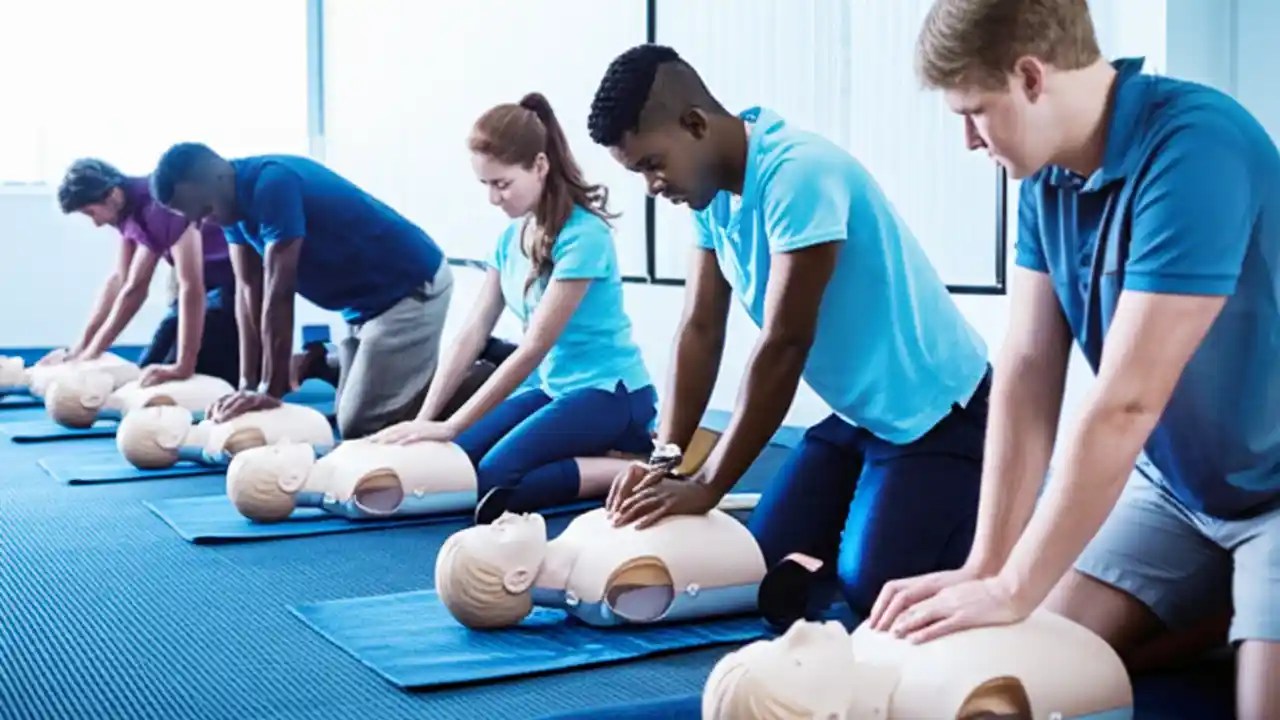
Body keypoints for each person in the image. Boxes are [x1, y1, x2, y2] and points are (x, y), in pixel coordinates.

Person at [869, 2, 1280, 716]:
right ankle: (1218, 614)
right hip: (1176, 491)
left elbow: (1126, 403)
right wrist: (988, 565)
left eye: (975, 112)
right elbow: (1028, 369)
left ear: (1031, 77)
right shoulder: (1044, 180)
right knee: (1028, 670)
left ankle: (1239, 615)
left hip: (1275, 494)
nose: (968, 140)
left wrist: (1013, 587)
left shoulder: (1197, 148)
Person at [588, 44, 992, 617]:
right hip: (859, 416)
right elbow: (700, 329)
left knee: (873, 586)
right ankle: (863, 525)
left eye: (652, 164)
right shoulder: (710, 197)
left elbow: (784, 343)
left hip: (938, 415)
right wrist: (665, 460)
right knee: (762, 552)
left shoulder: (798, 174)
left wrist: (708, 485)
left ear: (695, 125)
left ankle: (988, 509)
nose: (652, 185)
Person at [371, 93, 658, 524]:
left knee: (494, 482)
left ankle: (635, 468)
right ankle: (593, 453)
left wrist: (452, 424)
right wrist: (426, 423)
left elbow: (533, 348)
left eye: (502, 184)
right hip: (555, 389)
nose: (493, 198)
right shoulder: (510, 240)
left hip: (611, 395)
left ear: (540, 166)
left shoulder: (584, 235)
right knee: (457, 465)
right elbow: (472, 333)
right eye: (485, 184)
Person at [150, 144, 452, 440]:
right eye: (193, 217)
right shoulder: (228, 207)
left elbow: (279, 293)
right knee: (349, 412)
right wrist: (247, 384)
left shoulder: (273, 183)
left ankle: (465, 377)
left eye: (204, 211)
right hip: (363, 308)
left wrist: (270, 390)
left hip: (409, 290)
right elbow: (248, 292)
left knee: (360, 425)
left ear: (219, 176)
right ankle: (325, 361)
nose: (200, 224)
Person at [52, 159, 239, 387]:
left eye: (91, 212)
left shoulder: (157, 203)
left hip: (233, 282)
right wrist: (80, 349)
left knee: (184, 368)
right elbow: (119, 279)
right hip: (207, 282)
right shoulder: (127, 210)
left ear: (112, 195)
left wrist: (91, 354)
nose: (97, 223)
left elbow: (136, 289)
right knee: (149, 366)